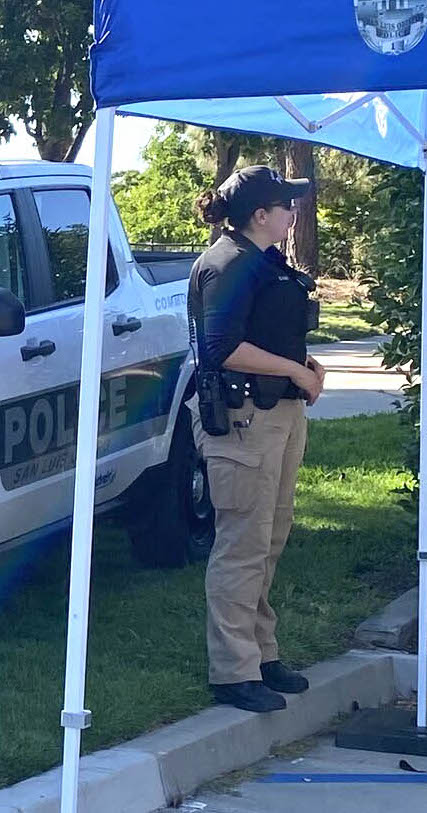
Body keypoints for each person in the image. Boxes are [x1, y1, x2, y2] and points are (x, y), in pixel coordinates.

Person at [187, 165, 327, 713]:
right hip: (246, 418)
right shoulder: (225, 264)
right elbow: (222, 348)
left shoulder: (261, 263)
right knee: (243, 543)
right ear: (260, 215)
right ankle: (233, 670)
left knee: (268, 538)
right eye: (286, 206)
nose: (295, 213)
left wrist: (302, 365)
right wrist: (295, 373)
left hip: (277, 413)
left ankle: (261, 656)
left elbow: (267, 331)